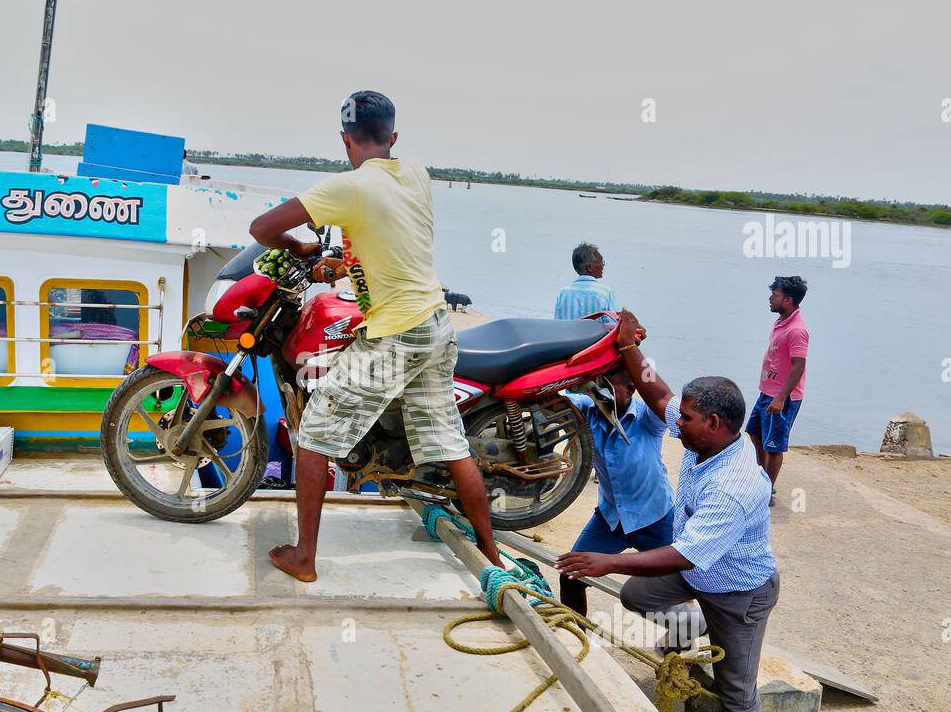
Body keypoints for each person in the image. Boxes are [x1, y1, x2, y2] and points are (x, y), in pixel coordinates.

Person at [247, 90, 502, 582]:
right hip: (435, 324)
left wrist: (297, 244)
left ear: (345, 140)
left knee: (316, 435)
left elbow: (262, 227)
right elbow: (388, 236)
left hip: (397, 334)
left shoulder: (348, 188)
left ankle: (305, 557)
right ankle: (491, 553)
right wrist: (338, 265)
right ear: (394, 137)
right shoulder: (417, 173)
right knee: (451, 442)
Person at [556, 309, 779, 712]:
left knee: (735, 690)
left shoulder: (735, 485)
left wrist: (607, 562)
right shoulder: (708, 437)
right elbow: (657, 392)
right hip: (700, 574)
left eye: (687, 419)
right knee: (637, 596)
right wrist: (628, 343)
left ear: (714, 423)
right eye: (681, 415)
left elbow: (683, 555)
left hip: (738, 591)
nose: (676, 423)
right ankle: (690, 627)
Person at [561, 365, 674, 615]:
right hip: (610, 519)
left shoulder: (648, 418)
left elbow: (662, 398)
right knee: (571, 574)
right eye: (596, 386)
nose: (599, 394)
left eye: (608, 389)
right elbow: (556, 397)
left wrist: (631, 350)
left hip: (655, 518)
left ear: (632, 390)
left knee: (677, 587)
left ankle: (679, 640)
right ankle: (577, 634)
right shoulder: (587, 410)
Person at [746, 276, 808, 505]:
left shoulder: (797, 330)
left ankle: (766, 490)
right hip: (767, 392)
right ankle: (761, 481)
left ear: (788, 300)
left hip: (783, 396)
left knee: (773, 445)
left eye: (775, 295)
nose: (770, 298)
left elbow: (798, 365)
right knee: (755, 433)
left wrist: (781, 398)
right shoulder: (781, 322)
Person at [554, 242, 617, 319]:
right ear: (589, 267)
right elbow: (613, 325)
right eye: (601, 262)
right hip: (594, 331)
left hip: (568, 331)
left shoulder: (563, 294)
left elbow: (557, 323)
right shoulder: (605, 293)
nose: (602, 266)